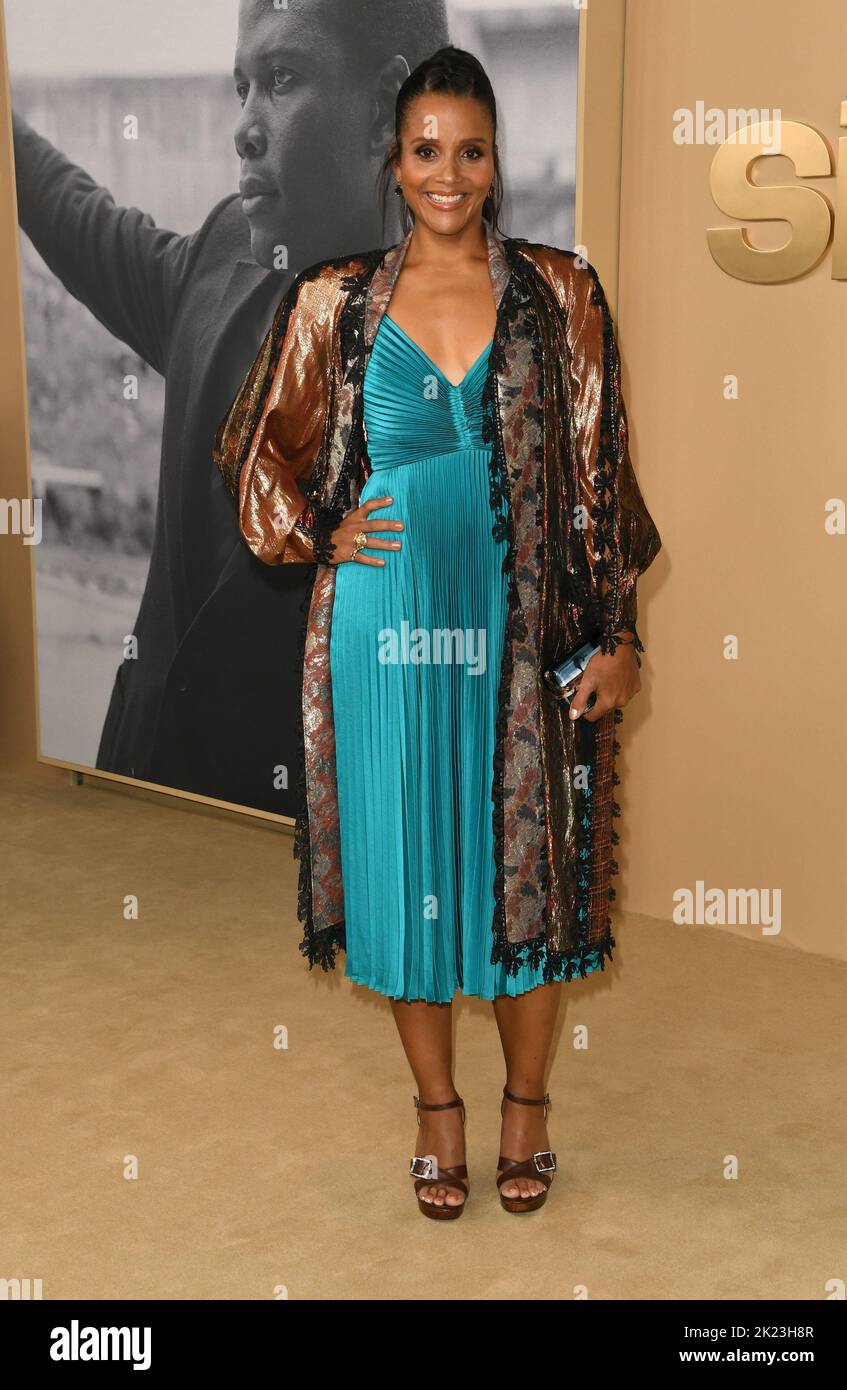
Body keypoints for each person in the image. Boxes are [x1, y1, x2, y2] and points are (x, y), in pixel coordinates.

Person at [213, 47, 662, 1220]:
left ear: (496, 160)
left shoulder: (563, 293)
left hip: (524, 627)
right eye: (426, 151)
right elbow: (253, 451)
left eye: (471, 150)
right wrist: (319, 527)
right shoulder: (334, 298)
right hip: (386, 625)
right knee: (409, 863)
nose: (447, 173)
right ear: (395, 162)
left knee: (532, 879)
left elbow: (602, 477)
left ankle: (527, 1106)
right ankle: (436, 1115)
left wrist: (616, 633)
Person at [12, 0, 447, 812]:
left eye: (281, 80)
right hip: (139, 812)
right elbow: (85, 224)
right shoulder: (222, 261)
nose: (244, 127)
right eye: (240, 88)